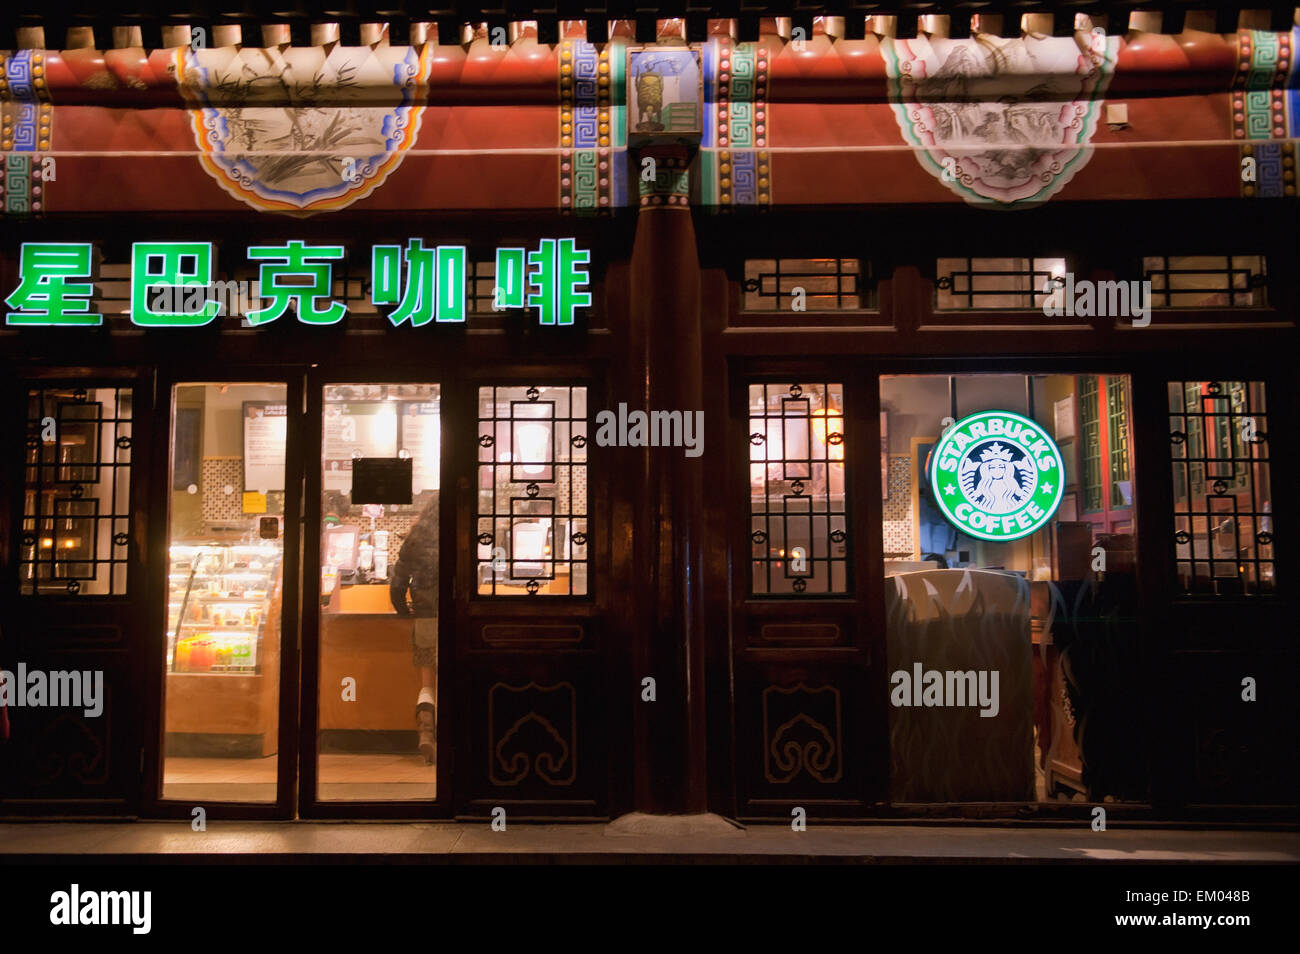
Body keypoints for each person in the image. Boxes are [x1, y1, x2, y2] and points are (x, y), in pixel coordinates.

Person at [389, 493, 439, 765]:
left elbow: (397, 586)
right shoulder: (458, 534)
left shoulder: (414, 541)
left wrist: (403, 610)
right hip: (453, 620)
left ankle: (426, 733)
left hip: (425, 620)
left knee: (427, 683)